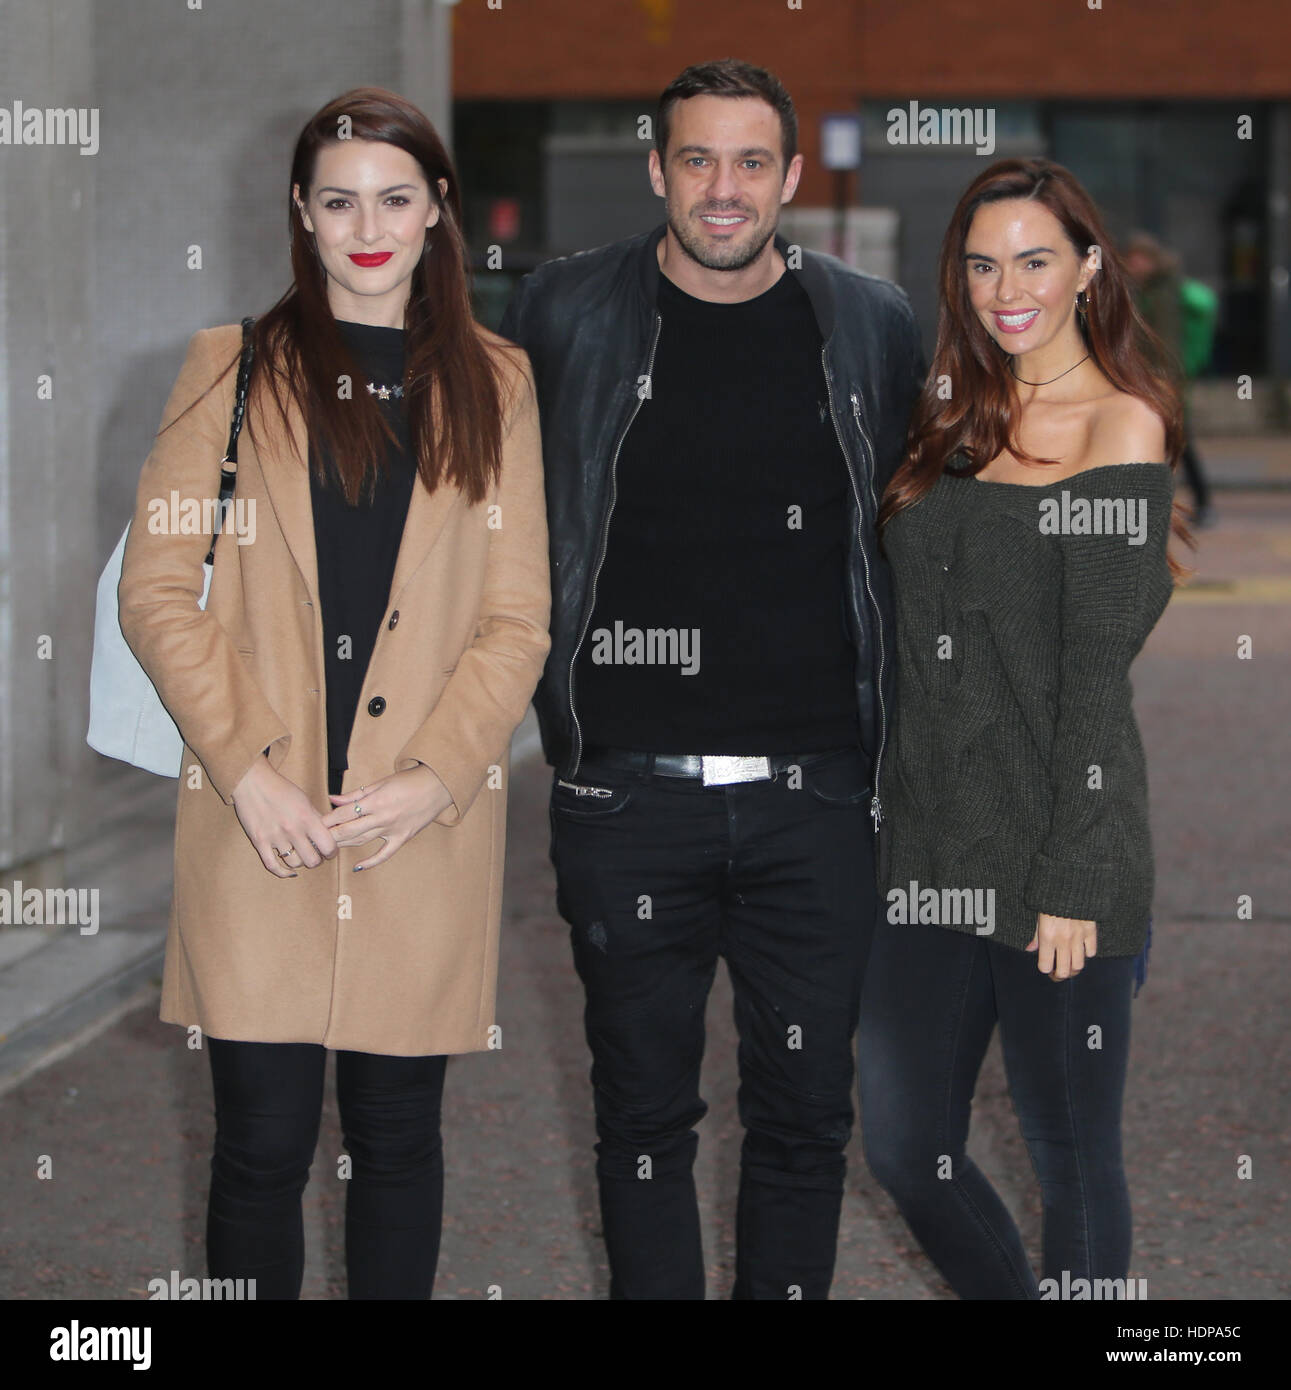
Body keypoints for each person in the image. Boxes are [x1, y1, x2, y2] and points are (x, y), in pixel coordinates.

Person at [500, 59, 924, 1300]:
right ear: (656, 171)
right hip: (626, 802)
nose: (723, 189)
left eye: (751, 163)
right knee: (640, 1126)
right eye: (696, 160)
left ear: (792, 178)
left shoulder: (869, 321)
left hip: (817, 799)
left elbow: (916, 534)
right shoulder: (562, 313)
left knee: (804, 1123)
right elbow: (472, 509)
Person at [117, 87, 551, 1299]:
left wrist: (437, 776)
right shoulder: (230, 368)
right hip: (262, 814)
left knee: (398, 1142)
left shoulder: (498, 382)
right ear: (301, 214)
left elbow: (518, 617)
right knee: (257, 1147)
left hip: (417, 819)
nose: (369, 224)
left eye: (396, 198)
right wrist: (246, 770)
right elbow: (157, 589)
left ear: (437, 215)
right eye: (341, 199)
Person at [859, 157, 1192, 1299]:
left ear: (1088, 268)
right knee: (907, 1146)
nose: (1008, 286)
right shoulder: (950, 411)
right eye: (983, 261)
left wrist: (1073, 874)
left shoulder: (1121, 424)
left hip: (1061, 852)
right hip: (931, 853)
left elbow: (1094, 674)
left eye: (1036, 259)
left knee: (1071, 1160)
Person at [1124, 230, 1215, 526]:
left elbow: (1167, 340)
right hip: (1150, 378)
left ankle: (1199, 504)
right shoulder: (1143, 289)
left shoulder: (1163, 291)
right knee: (1170, 443)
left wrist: (1166, 382)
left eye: (1139, 260)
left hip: (1165, 379)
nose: (1134, 265)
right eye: (1132, 260)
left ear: (1151, 261)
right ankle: (1192, 504)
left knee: (1176, 444)